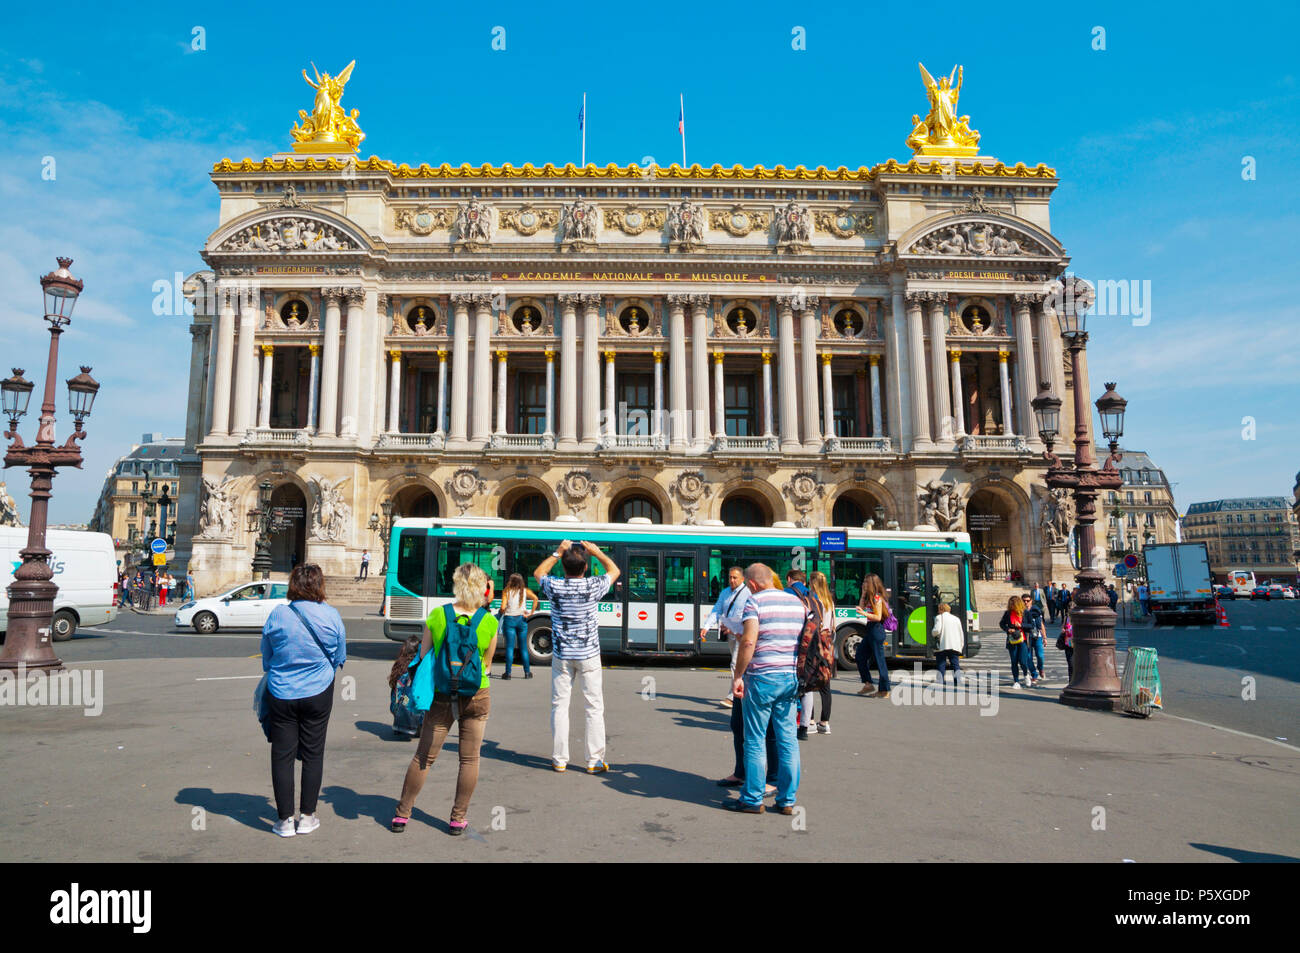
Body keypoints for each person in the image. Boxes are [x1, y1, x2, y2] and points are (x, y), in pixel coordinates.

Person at [392, 562, 498, 835]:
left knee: (423, 757)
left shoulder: (438, 615)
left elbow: (423, 656)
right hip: (477, 693)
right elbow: (486, 665)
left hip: (441, 694)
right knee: (470, 760)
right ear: (482, 588)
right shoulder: (489, 621)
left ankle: (402, 814)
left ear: (456, 585)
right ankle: (457, 819)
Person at [260, 563, 347, 837]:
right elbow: (340, 657)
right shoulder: (332, 615)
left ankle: (285, 821)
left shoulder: (278, 614)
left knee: (282, 755)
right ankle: (307, 817)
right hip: (319, 691)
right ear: (320, 586)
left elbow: (266, 659)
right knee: (313, 753)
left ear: (292, 585)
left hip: (282, 692)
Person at [724, 563, 806, 815]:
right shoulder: (796, 602)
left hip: (761, 677)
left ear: (752, 584)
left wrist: (738, 676)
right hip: (790, 677)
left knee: (755, 739)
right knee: (788, 739)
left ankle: (752, 799)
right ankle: (787, 800)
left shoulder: (755, 602)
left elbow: (749, 641)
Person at [533, 540, 620, 773]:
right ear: (585, 568)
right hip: (588, 654)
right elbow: (615, 571)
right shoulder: (593, 586)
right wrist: (597, 552)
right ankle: (594, 760)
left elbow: (539, 572)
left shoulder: (555, 587)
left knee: (559, 706)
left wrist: (557, 552)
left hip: (562, 655)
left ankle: (560, 759)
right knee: (593, 707)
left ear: (563, 567)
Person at [700, 566, 752, 708]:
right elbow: (717, 610)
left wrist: (736, 628)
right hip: (729, 634)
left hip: (742, 634)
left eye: (735, 577)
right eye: (730, 577)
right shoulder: (725, 593)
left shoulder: (748, 593)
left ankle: (732, 696)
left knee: (736, 663)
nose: (731, 580)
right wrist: (706, 626)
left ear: (742, 579)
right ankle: (744, 692)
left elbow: (748, 616)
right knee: (740, 664)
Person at [801, 571, 836, 734]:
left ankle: (811, 721)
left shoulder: (813, 601)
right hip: (827, 643)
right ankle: (825, 722)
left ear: (813, 583)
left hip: (815, 644)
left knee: (809, 681)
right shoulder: (830, 601)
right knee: (825, 684)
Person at [854, 574, 892, 698]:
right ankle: (868, 684)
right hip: (870, 629)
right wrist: (863, 594)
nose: (863, 583)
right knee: (860, 655)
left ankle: (884, 689)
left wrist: (864, 613)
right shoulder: (870, 597)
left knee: (880, 660)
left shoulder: (877, 598)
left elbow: (878, 617)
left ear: (871, 583)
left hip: (876, 629)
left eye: (866, 581)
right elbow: (861, 607)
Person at [498, 572, 538, 680]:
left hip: (509, 620)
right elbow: (535, 599)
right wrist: (531, 613)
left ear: (510, 581)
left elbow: (502, 607)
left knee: (510, 647)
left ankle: (508, 674)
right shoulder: (524, 591)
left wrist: (502, 610)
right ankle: (527, 673)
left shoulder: (506, 591)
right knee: (523, 648)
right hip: (522, 620)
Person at [388, 634, 424, 738]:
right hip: (414, 711)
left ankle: (399, 721)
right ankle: (418, 726)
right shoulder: (419, 666)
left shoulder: (398, 665)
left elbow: (392, 686)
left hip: (397, 707)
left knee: (399, 693)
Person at [999, 595, 1034, 689]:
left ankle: (1026, 675)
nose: (1012, 606)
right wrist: (1008, 629)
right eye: (1011, 605)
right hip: (1012, 640)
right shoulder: (1008, 613)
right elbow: (1002, 623)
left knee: (1023, 661)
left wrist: (1021, 625)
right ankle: (1016, 681)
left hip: (1023, 640)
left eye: (1013, 605)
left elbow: (1032, 625)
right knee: (1014, 661)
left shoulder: (1025, 612)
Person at [932, 602, 965, 686]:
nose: (938, 611)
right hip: (955, 645)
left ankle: (940, 681)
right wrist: (961, 645)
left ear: (941, 609)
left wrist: (932, 633)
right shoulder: (956, 618)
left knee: (941, 663)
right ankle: (958, 681)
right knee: (955, 664)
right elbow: (961, 633)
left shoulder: (939, 617)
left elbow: (937, 630)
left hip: (944, 644)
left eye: (939, 609)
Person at [1023, 591, 1047, 681]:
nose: (1026, 602)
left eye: (1027, 600)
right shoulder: (1021, 611)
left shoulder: (1036, 610)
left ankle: (1040, 668)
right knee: (1028, 657)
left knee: (1040, 656)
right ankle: (1034, 674)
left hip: (1037, 636)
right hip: (1026, 636)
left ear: (1031, 601)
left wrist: (1045, 638)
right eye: (1024, 601)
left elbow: (1041, 624)